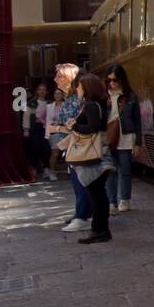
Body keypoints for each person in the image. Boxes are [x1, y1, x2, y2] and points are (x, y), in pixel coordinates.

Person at [68, 72, 113, 245]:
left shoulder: (91, 106)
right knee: (99, 193)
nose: (77, 89)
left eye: (79, 86)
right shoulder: (97, 104)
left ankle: (99, 230)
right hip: (100, 152)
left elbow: (92, 128)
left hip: (93, 154)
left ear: (86, 88)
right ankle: (101, 229)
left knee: (96, 194)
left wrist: (75, 125)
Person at [50, 63, 90, 233]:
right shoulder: (71, 99)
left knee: (80, 182)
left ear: (68, 79)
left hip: (79, 146)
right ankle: (81, 214)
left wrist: (56, 129)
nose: (55, 79)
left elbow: (76, 126)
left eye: (59, 76)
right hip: (73, 146)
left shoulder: (75, 100)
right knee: (77, 182)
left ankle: (82, 217)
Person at [104, 64, 140, 213]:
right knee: (110, 170)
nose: (112, 83)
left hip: (126, 137)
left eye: (115, 80)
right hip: (109, 137)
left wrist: (138, 143)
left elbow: (137, 120)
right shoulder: (104, 96)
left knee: (125, 170)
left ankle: (125, 200)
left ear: (121, 79)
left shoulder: (130, 96)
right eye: (109, 80)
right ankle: (111, 202)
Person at [22, 82, 53, 180]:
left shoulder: (50, 103)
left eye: (44, 90)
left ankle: (46, 169)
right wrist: (26, 129)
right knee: (34, 149)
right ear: (37, 91)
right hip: (35, 128)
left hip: (46, 128)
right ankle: (34, 169)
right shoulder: (32, 103)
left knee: (46, 149)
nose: (42, 92)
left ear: (47, 92)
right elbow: (26, 116)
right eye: (40, 89)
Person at [44, 87, 67, 179]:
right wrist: (47, 129)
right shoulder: (49, 106)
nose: (57, 95)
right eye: (56, 94)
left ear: (62, 95)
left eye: (59, 94)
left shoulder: (66, 105)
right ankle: (52, 172)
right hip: (54, 131)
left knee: (67, 152)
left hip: (65, 130)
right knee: (55, 153)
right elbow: (43, 118)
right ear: (53, 96)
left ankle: (70, 170)